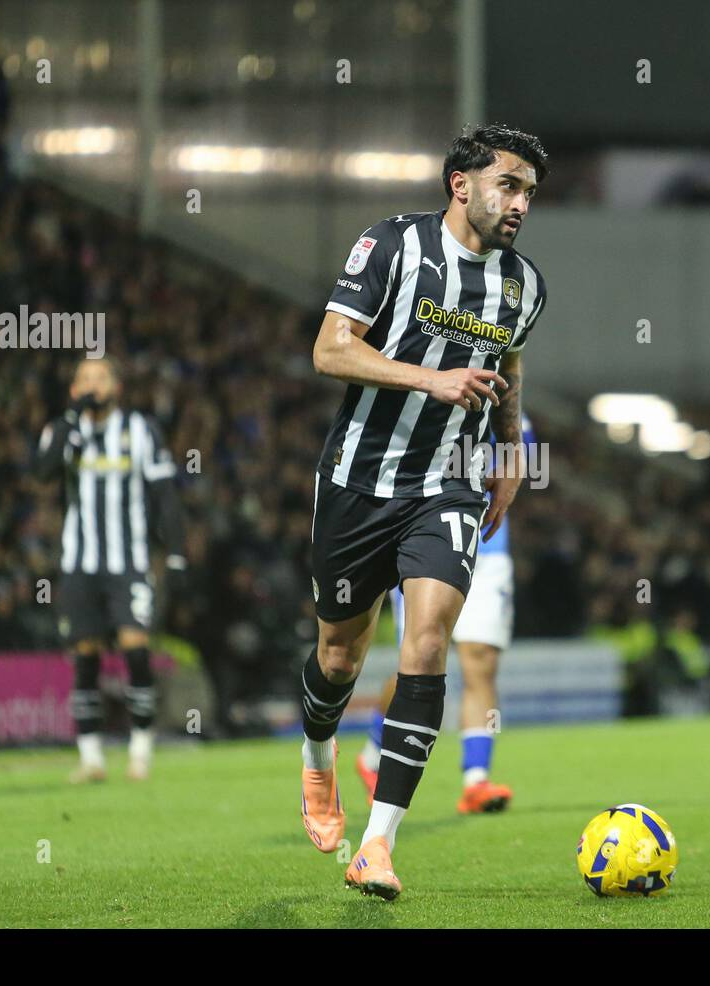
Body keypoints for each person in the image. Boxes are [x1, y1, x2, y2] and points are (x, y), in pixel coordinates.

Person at [301, 123, 549, 899]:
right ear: (461, 184)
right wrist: (427, 379)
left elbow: (507, 364)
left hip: (448, 483)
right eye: (508, 185)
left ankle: (378, 843)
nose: (519, 204)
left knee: (431, 637)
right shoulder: (390, 247)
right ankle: (317, 758)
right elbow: (330, 350)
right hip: (357, 479)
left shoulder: (524, 285)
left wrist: (508, 457)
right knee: (338, 657)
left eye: (529, 193)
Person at [356, 415, 536, 815]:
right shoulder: (429, 390)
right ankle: (373, 750)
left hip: (487, 548)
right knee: (420, 657)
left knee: (481, 663)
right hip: (428, 543)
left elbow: (520, 466)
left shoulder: (514, 416)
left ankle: (476, 780)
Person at [32, 358, 187, 782]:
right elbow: (41, 472)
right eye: (84, 378)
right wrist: (69, 417)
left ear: (117, 386)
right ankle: (91, 758)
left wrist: (175, 553)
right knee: (84, 656)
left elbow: (165, 495)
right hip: (79, 564)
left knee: (136, 647)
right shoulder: (63, 430)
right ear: (73, 388)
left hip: (129, 563)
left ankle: (140, 749)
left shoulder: (141, 430)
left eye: (101, 377)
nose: (92, 385)